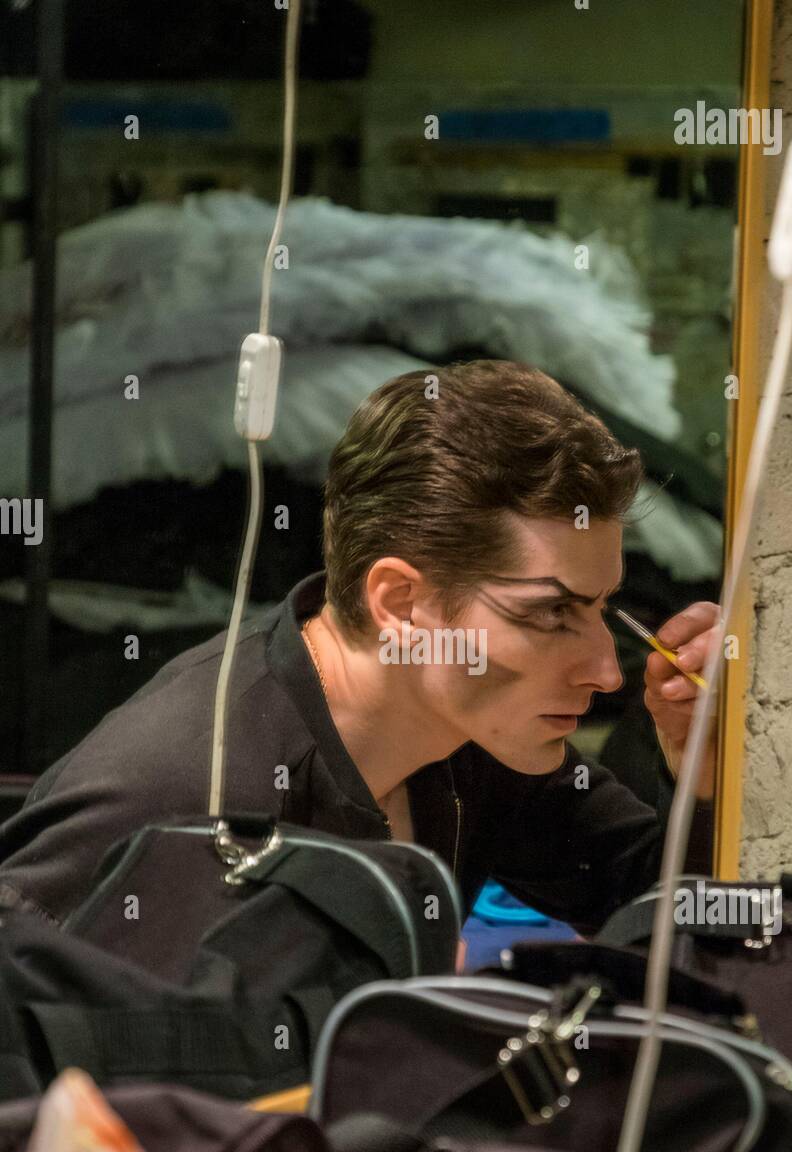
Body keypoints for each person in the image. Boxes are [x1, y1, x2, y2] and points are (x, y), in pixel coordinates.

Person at [0, 360, 718, 954]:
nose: (607, 670)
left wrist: (699, 776)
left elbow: (656, 910)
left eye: (599, 609)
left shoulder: (476, 735)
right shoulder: (177, 793)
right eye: (552, 612)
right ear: (402, 604)